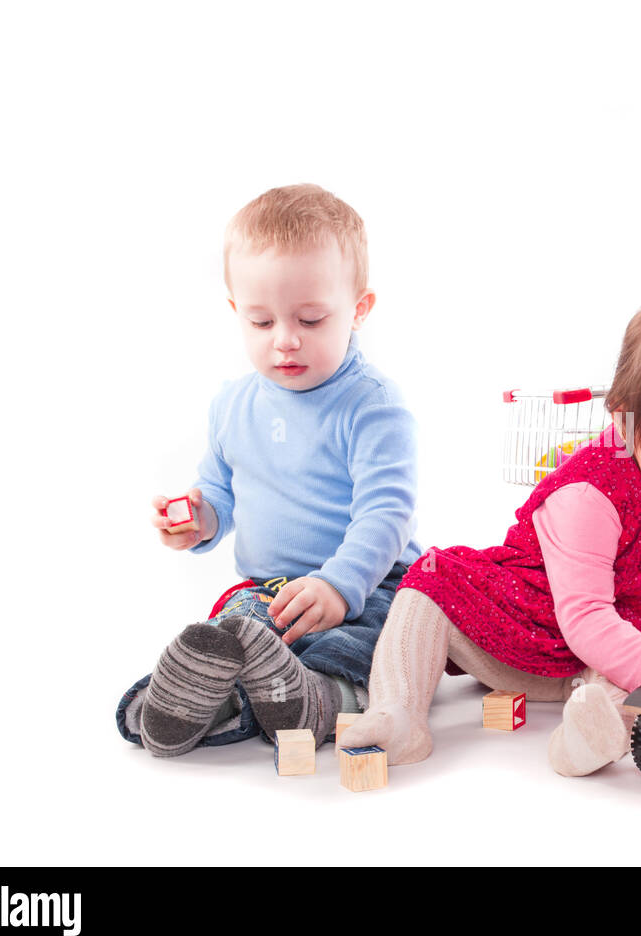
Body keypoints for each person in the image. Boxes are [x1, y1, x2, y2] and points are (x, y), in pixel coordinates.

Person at [339, 290, 641, 776]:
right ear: (627, 422)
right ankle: (399, 713)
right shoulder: (589, 494)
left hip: (617, 646)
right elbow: (585, 616)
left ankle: (587, 739)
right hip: (526, 623)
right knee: (429, 579)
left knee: (631, 681)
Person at [116, 184, 422, 756]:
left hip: (372, 581)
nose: (284, 340)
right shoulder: (234, 405)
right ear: (236, 312)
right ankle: (197, 701)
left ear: (358, 309)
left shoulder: (371, 405)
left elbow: (388, 513)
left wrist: (338, 584)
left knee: (369, 644)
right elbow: (220, 491)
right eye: (260, 322)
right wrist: (199, 519)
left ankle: (322, 697)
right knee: (238, 630)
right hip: (272, 590)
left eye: (310, 319)